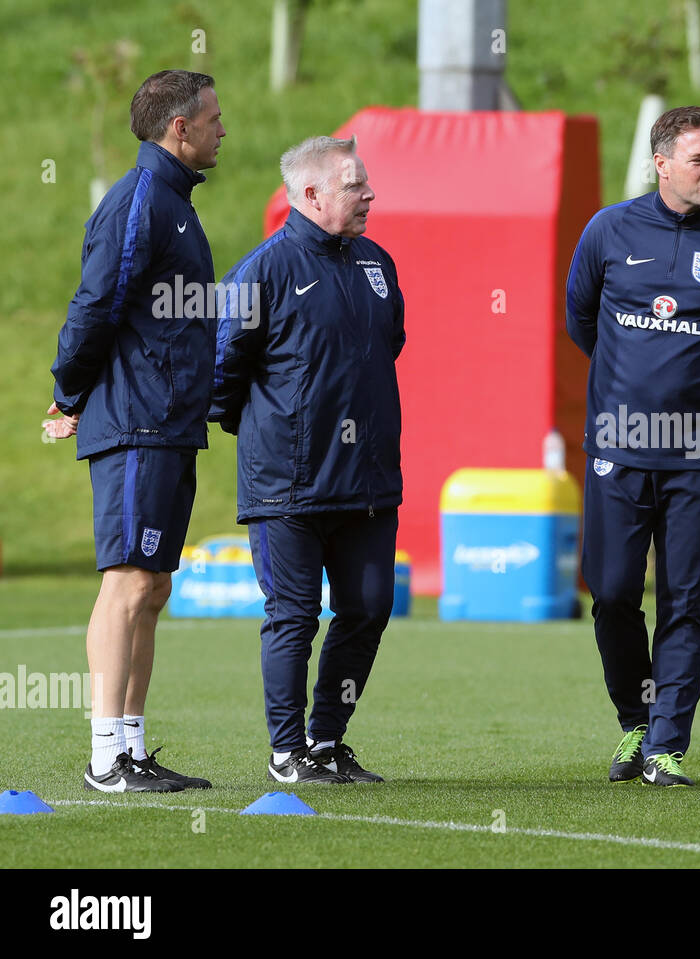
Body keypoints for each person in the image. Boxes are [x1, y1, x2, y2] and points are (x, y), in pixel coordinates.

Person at [566, 106, 700, 787]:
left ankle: (666, 745)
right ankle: (636, 715)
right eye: (699, 160)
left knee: (688, 599)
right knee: (613, 591)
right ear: (662, 164)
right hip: (618, 447)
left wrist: (697, 385)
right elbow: (582, 321)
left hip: (697, 453)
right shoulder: (607, 231)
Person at [47, 70, 225, 793]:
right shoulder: (141, 200)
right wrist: (68, 390)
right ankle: (103, 759)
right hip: (136, 421)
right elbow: (96, 306)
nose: (222, 128)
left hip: (169, 422)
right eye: (213, 118)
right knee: (126, 582)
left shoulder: (174, 202)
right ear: (177, 128)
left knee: (153, 585)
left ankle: (133, 748)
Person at [209, 135, 404, 785]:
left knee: (369, 608)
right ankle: (287, 750)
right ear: (312, 194)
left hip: (369, 481)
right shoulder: (260, 271)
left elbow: (386, 347)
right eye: (356, 185)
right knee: (293, 616)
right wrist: (279, 433)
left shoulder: (377, 263)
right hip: (286, 484)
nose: (370, 194)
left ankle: (327, 740)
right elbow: (221, 376)